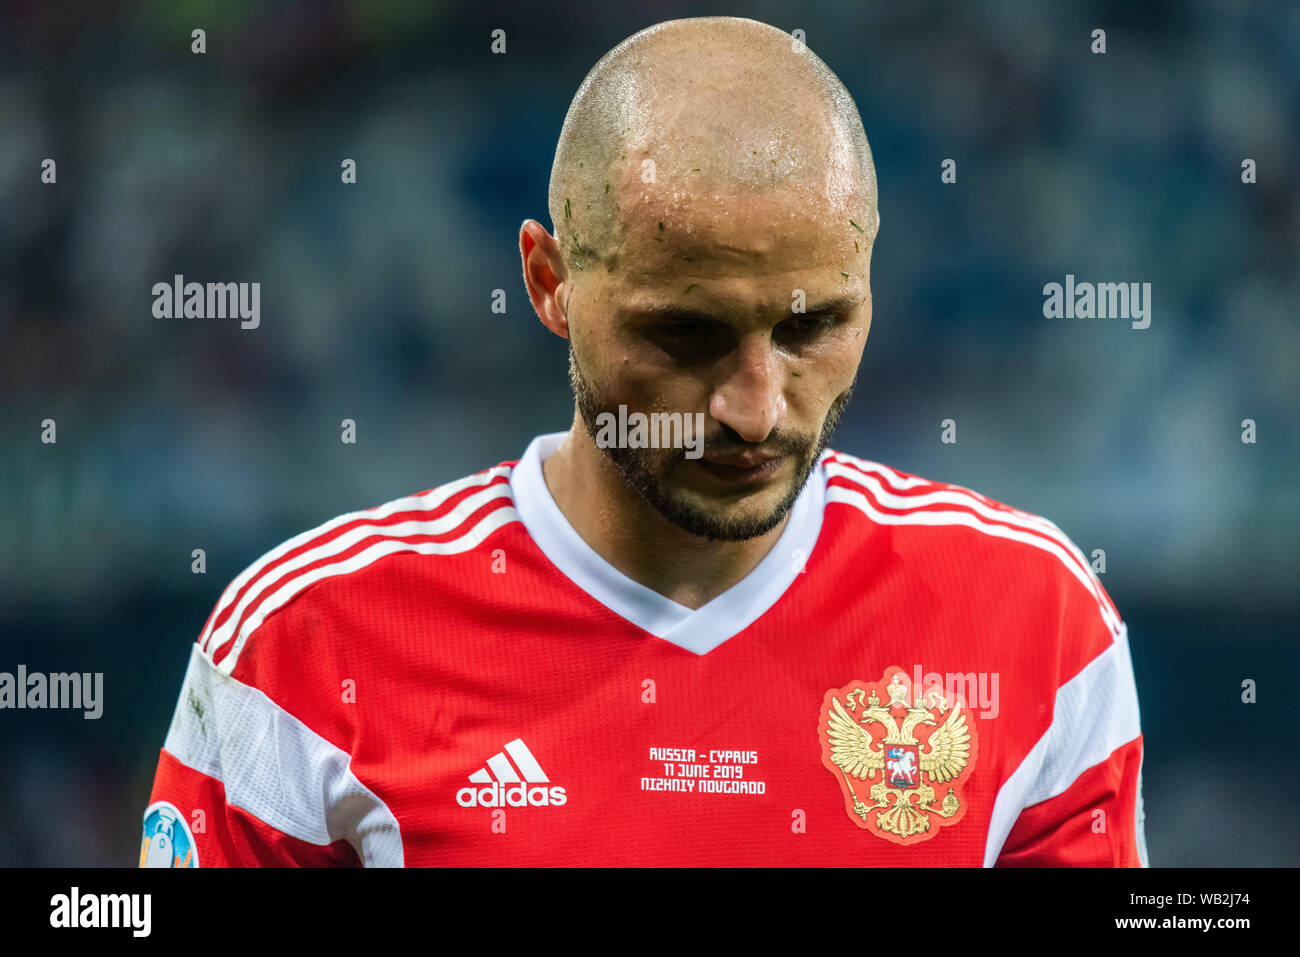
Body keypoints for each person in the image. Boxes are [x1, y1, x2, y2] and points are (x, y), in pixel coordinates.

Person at [142, 16, 1147, 866]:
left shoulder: (1033, 626)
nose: (756, 409)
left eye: (811, 328)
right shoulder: (305, 645)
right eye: (685, 333)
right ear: (549, 283)